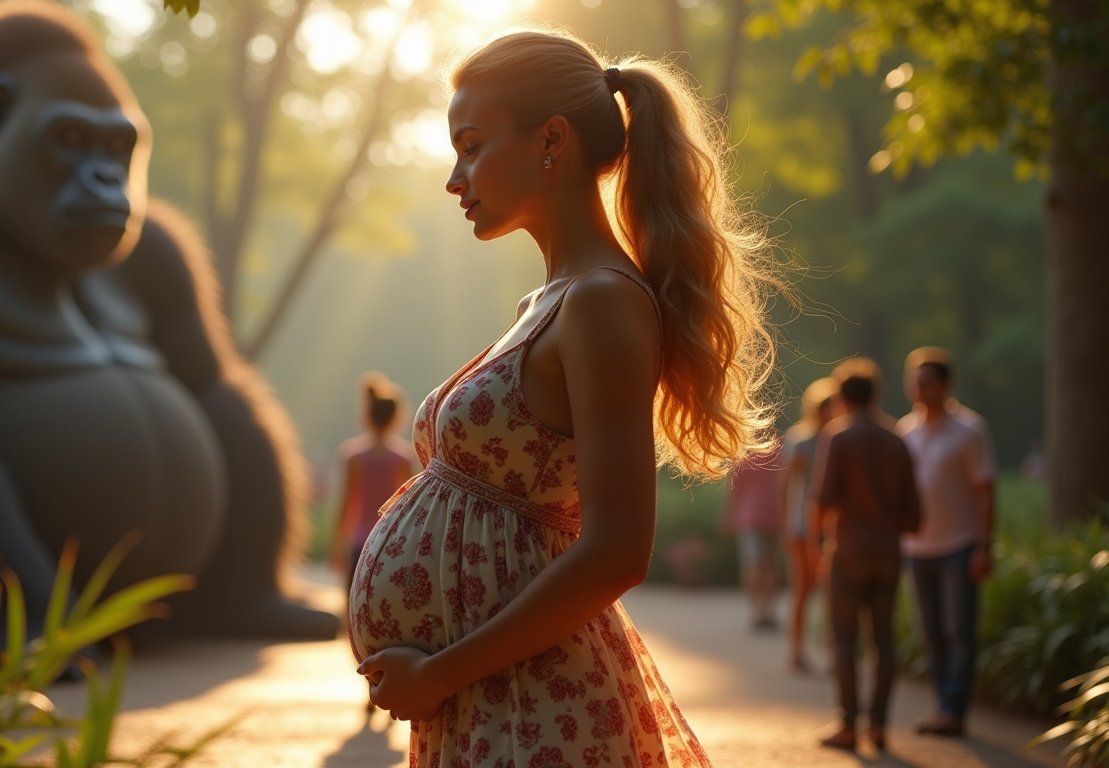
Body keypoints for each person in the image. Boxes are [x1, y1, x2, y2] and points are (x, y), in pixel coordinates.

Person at [347, 29, 779, 767]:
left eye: (472, 146)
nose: (454, 178)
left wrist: (442, 673)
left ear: (552, 139)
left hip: (537, 712)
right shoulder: (548, 302)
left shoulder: (603, 302)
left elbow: (618, 551)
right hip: (492, 699)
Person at [810, 358, 922, 752]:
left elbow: (823, 498)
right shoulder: (896, 439)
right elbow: (915, 514)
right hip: (887, 552)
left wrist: (817, 545)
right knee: (883, 640)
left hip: (849, 551)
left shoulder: (838, 436)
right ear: (876, 394)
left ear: (841, 397)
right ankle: (878, 725)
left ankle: (848, 724)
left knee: (844, 639)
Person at [897, 347, 995, 737]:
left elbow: (984, 490)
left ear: (945, 385)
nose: (918, 388)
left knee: (958, 629)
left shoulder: (969, 430)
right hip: (917, 547)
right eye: (913, 381)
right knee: (930, 631)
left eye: (926, 381)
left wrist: (984, 545)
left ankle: (955, 709)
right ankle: (942, 706)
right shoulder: (906, 430)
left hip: (959, 543)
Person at [332, 373, 418, 584]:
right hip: (389, 543)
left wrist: (336, 547)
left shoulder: (353, 456)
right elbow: (412, 507)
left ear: (367, 416)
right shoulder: (403, 458)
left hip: (359, 544)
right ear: (396, 418)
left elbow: (346, 504)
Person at [778, 377, 839, 673]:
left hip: (832, 527)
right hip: (802, 525)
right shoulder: (801, 440)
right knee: (802, 589)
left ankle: (833, 652)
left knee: (832, 593)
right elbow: (787, 485)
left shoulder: (839, 438)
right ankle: (797, 651)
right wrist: (786, 524)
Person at [722, 446, 783, 632]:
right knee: (769, 565)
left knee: (752, 564)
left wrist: (729, 517)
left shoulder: (743, 455)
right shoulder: (780, 453)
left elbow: (733, 489)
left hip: (749, 517)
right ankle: (767, 610)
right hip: (775, 514)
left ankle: (757, 611)